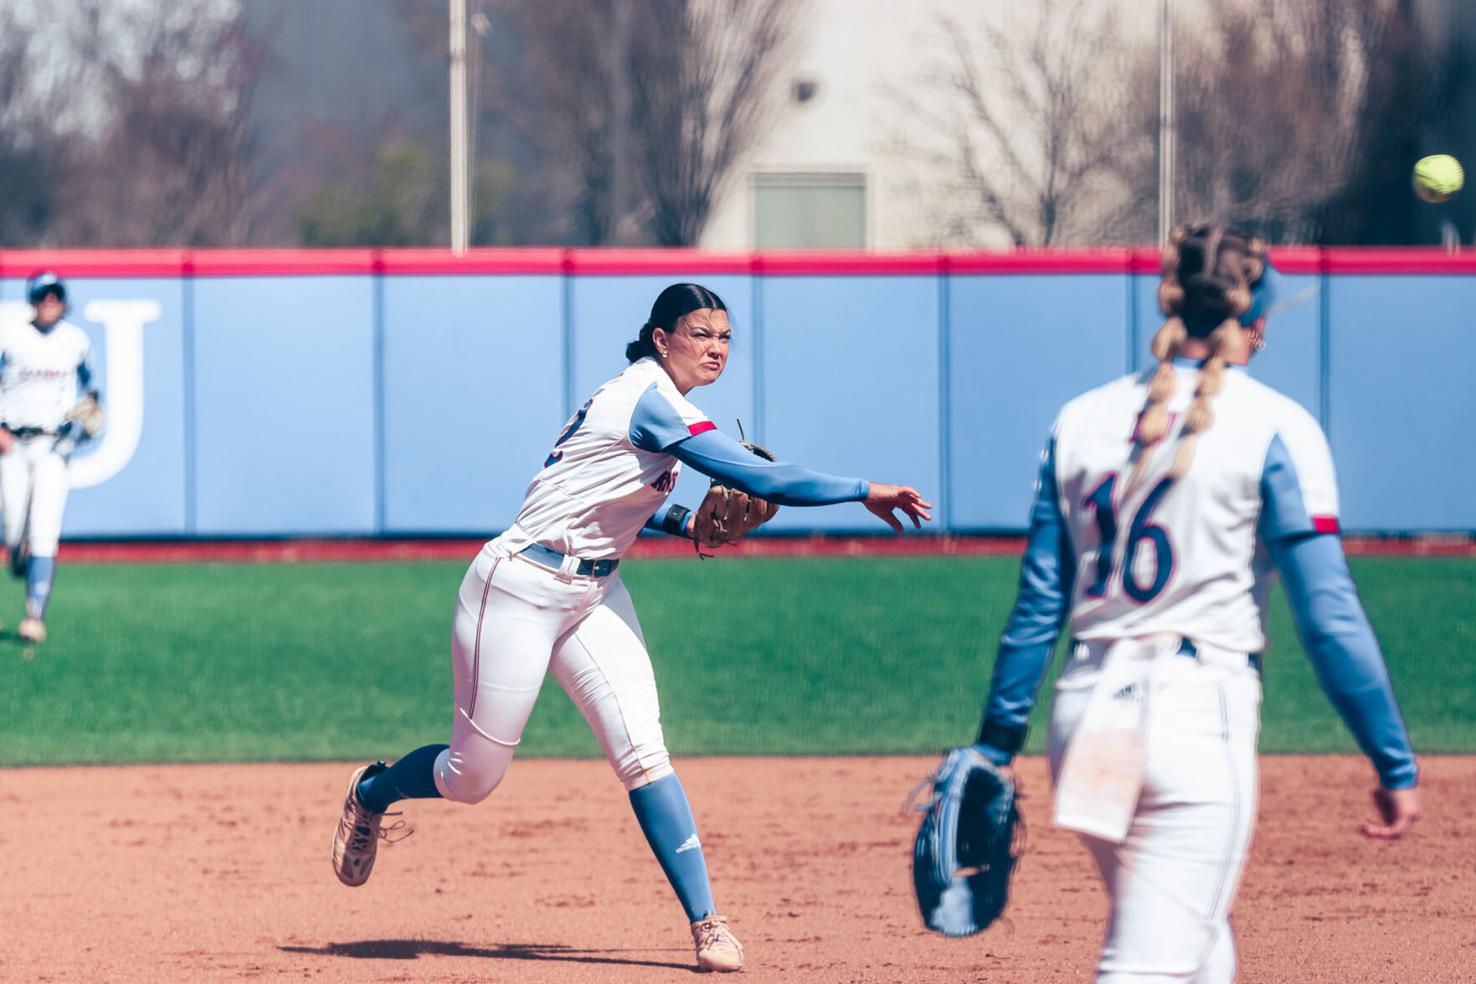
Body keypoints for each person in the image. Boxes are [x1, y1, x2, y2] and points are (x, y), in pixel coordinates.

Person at [330, 282, 932, 973]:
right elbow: (766, 478)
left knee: (643, 753)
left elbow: (620, 503)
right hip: (517, 588)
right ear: (661, 339)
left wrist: (688, 523)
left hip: (594, 592)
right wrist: (865, 490)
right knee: (472, 777)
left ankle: (707, 925)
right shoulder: (649, 401)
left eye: (726, 337)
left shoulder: (662, 407)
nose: (715, 348)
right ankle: (372, 791)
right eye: (700, 334)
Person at [965, 226, 1420, 982]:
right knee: (1144, 963)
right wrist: (1391, 759)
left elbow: (1039, 604)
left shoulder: (1079, 420)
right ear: (1261, 321)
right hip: (1190, 720)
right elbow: (1328, 614)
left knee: (1196, 947)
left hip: (1088, 718)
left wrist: (994, 743)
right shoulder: (1275, 426)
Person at [0, 272, 103, 643]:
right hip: (14, 442)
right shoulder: (11, 336)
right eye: (44, 296)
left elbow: (91, 390)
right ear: (33, 299)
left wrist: (91, 413)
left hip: (54, 445)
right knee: (13, 527)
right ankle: (16, 553)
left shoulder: (75, 340)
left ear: (64, 300)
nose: (50, 302)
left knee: (45, 529)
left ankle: (34, 616)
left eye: (56, 296)